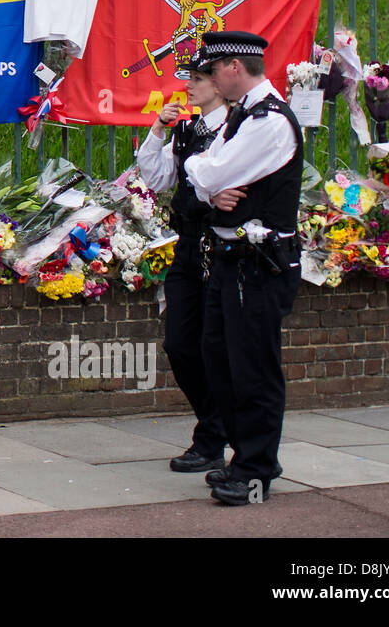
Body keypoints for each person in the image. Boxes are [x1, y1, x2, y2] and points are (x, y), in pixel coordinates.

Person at [184, 31, 303, 507]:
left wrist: (209, 181)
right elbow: (204, 178)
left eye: (212, 71)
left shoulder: (268, 121)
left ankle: (255, 472)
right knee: (219, 360)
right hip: (231, 257)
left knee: (253, 367)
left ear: (235, 66)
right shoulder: (243, 116)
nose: (208, 80)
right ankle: (249, 456)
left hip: (260, 261)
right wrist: (210, 185)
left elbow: (208, 171)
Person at [134, 56, 229, 475]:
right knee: (179, 343)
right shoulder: (188, 130)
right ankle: (215, 423)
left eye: (198, 79)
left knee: (217, 345)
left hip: (222, 245)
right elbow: (156, 179)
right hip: (188, 244)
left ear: (220, 84)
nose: (190, 87)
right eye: (189, 79)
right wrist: (159, 129)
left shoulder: (239, 128)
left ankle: (212, 438)